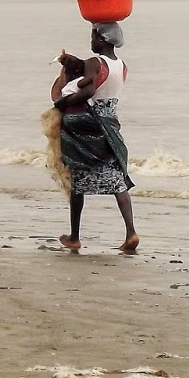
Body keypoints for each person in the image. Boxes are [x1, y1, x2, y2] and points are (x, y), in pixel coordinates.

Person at [53, 21, 138, 254]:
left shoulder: (94, 62)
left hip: (87, 125)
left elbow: (89, 90)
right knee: (117, 180)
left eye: (93, 36)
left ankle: (75, 236)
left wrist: (63, 102)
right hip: (110, 124)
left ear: (104, 39)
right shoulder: (121, 65)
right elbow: (102, 82)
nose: (91, 41)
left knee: (77, 177)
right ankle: (131, 232)